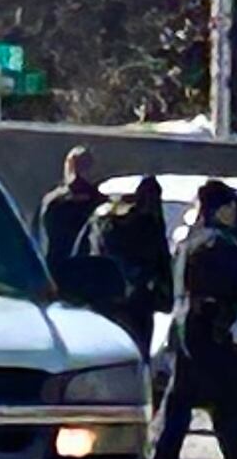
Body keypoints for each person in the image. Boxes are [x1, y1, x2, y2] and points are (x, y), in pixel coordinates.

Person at [152, 180, 237, 459]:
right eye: (230, 206)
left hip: (184, 324)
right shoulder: (215, 241)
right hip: (207, 323)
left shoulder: (188, 240)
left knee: (182, 395)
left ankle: (166, 456)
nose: (233, 213)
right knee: (224, 393)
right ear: (220, 208)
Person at [85, 172, 174, 372]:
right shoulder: (147, 223)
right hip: (138, 300)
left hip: (110, 297)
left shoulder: (106, 220)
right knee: (138, 354)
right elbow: (159, 259)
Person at [36, 149, 102, 284]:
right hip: (58, 268)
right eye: (75, 165)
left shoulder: (96, 201)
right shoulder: (55, 201)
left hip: (81, 270)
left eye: (82, 165)